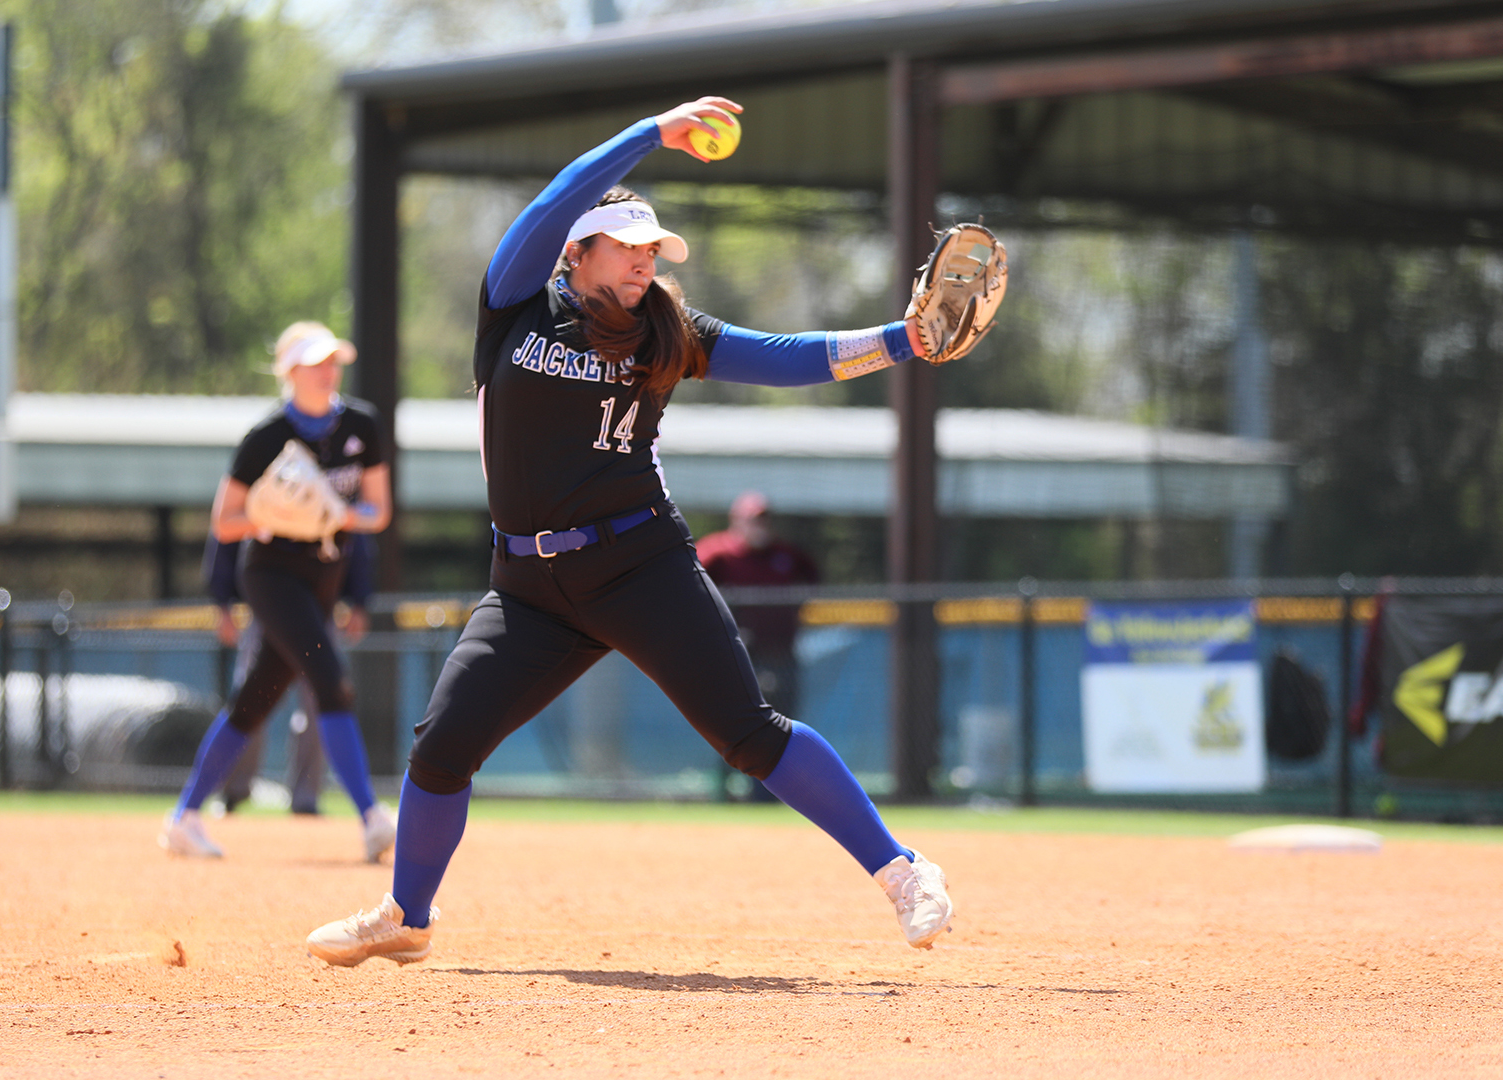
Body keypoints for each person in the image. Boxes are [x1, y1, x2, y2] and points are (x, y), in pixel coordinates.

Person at [305, 97, 955, 969]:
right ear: (579, 252)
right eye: (630, 246)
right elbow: (552, 201)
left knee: (748, 733)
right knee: (442, 747)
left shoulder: (666, 332)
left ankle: (905, 872)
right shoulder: (515, 308)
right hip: (529, 588)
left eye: (655, 251)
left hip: (639, 563)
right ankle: (407, 915)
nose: (647, 262)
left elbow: (788, 354)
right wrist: (656, 132)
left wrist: (902, 341)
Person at [159, 321, 398, 863]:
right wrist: (271, 511)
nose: (328, 370)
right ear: (289, 371)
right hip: (271, 573)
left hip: (324, 575)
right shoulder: (265, 436)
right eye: (315, 361)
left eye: (333, 360)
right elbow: (226, 522)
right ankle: (371, 818)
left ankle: (184, 817)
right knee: (331, 682)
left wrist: (337, 513)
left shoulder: (362, 424)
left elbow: (378, 512)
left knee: (256, 698)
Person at [208, 532, 377, 817]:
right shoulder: (265, 488)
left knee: (322, 703)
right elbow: (227, 534)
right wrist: (221, 602)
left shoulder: (337, 488)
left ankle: (305, 797)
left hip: (319, 611)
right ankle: (232, 792)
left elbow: (356, 539)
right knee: (250, 699)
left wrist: (360, 600)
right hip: (268, 607)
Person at [695, 491, 819, 802]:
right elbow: (689, 581)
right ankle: (722, 792)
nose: (759, 527)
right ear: (737, 521)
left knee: (780, 722)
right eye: (752, 520)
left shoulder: (784, 554)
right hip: (735, 653)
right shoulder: (719, 552)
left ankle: (766, 795)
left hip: (779, 651)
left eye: (764, 520)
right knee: (727, 721)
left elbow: (814, 578)